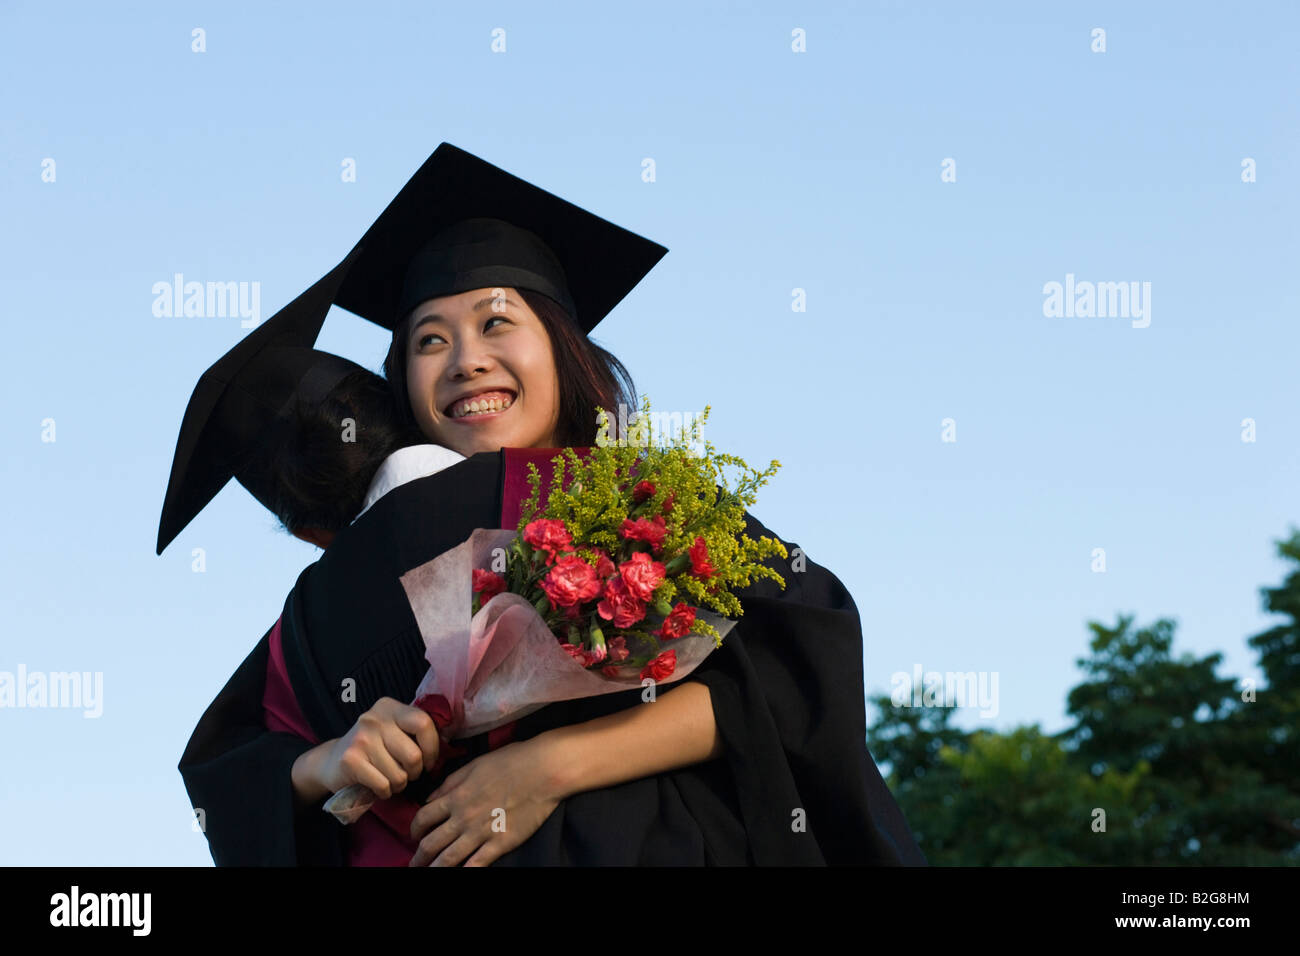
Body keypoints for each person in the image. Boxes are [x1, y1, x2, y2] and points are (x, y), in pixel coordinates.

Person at [170, 142, 927, 866]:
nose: (466, 360)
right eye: (429, 342)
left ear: (562, 347)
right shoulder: (338, 592)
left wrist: (548, 766)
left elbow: (798, 673)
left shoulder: (644, 497)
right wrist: (331, 759)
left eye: (497, 322)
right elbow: (230, 766)